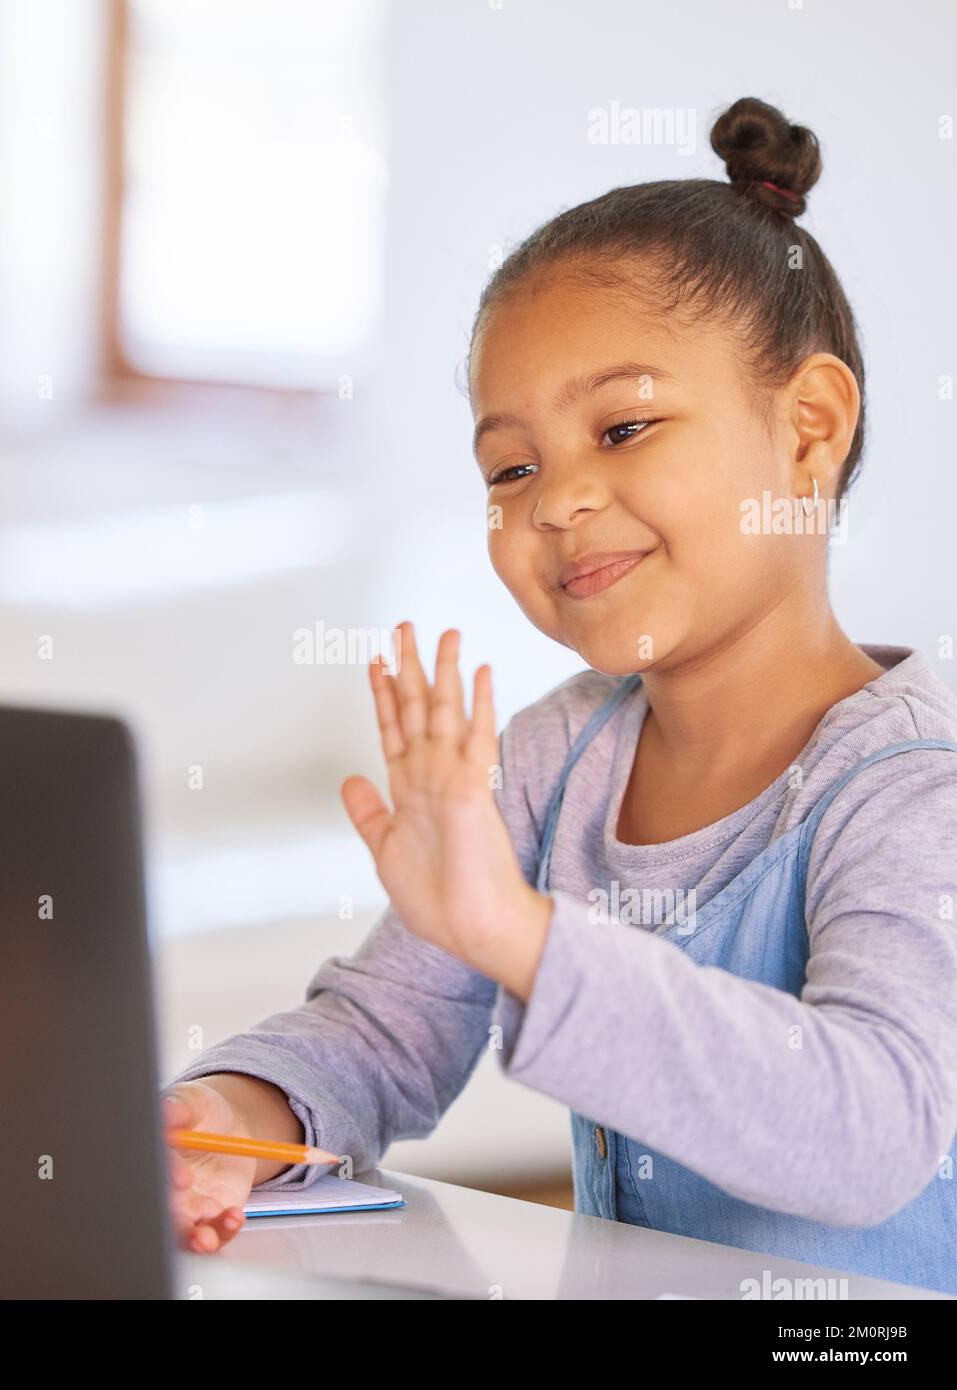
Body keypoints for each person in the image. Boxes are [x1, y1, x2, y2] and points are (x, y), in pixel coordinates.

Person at [163, 96, 957, 1294]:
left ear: (809, 429)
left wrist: (524, 934)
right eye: (512, 466)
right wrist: (225, 1112)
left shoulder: (911, 788)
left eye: (625, 425)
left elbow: (868, 1131)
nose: (556, 501)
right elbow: (383, 1036)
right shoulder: (556, 758)